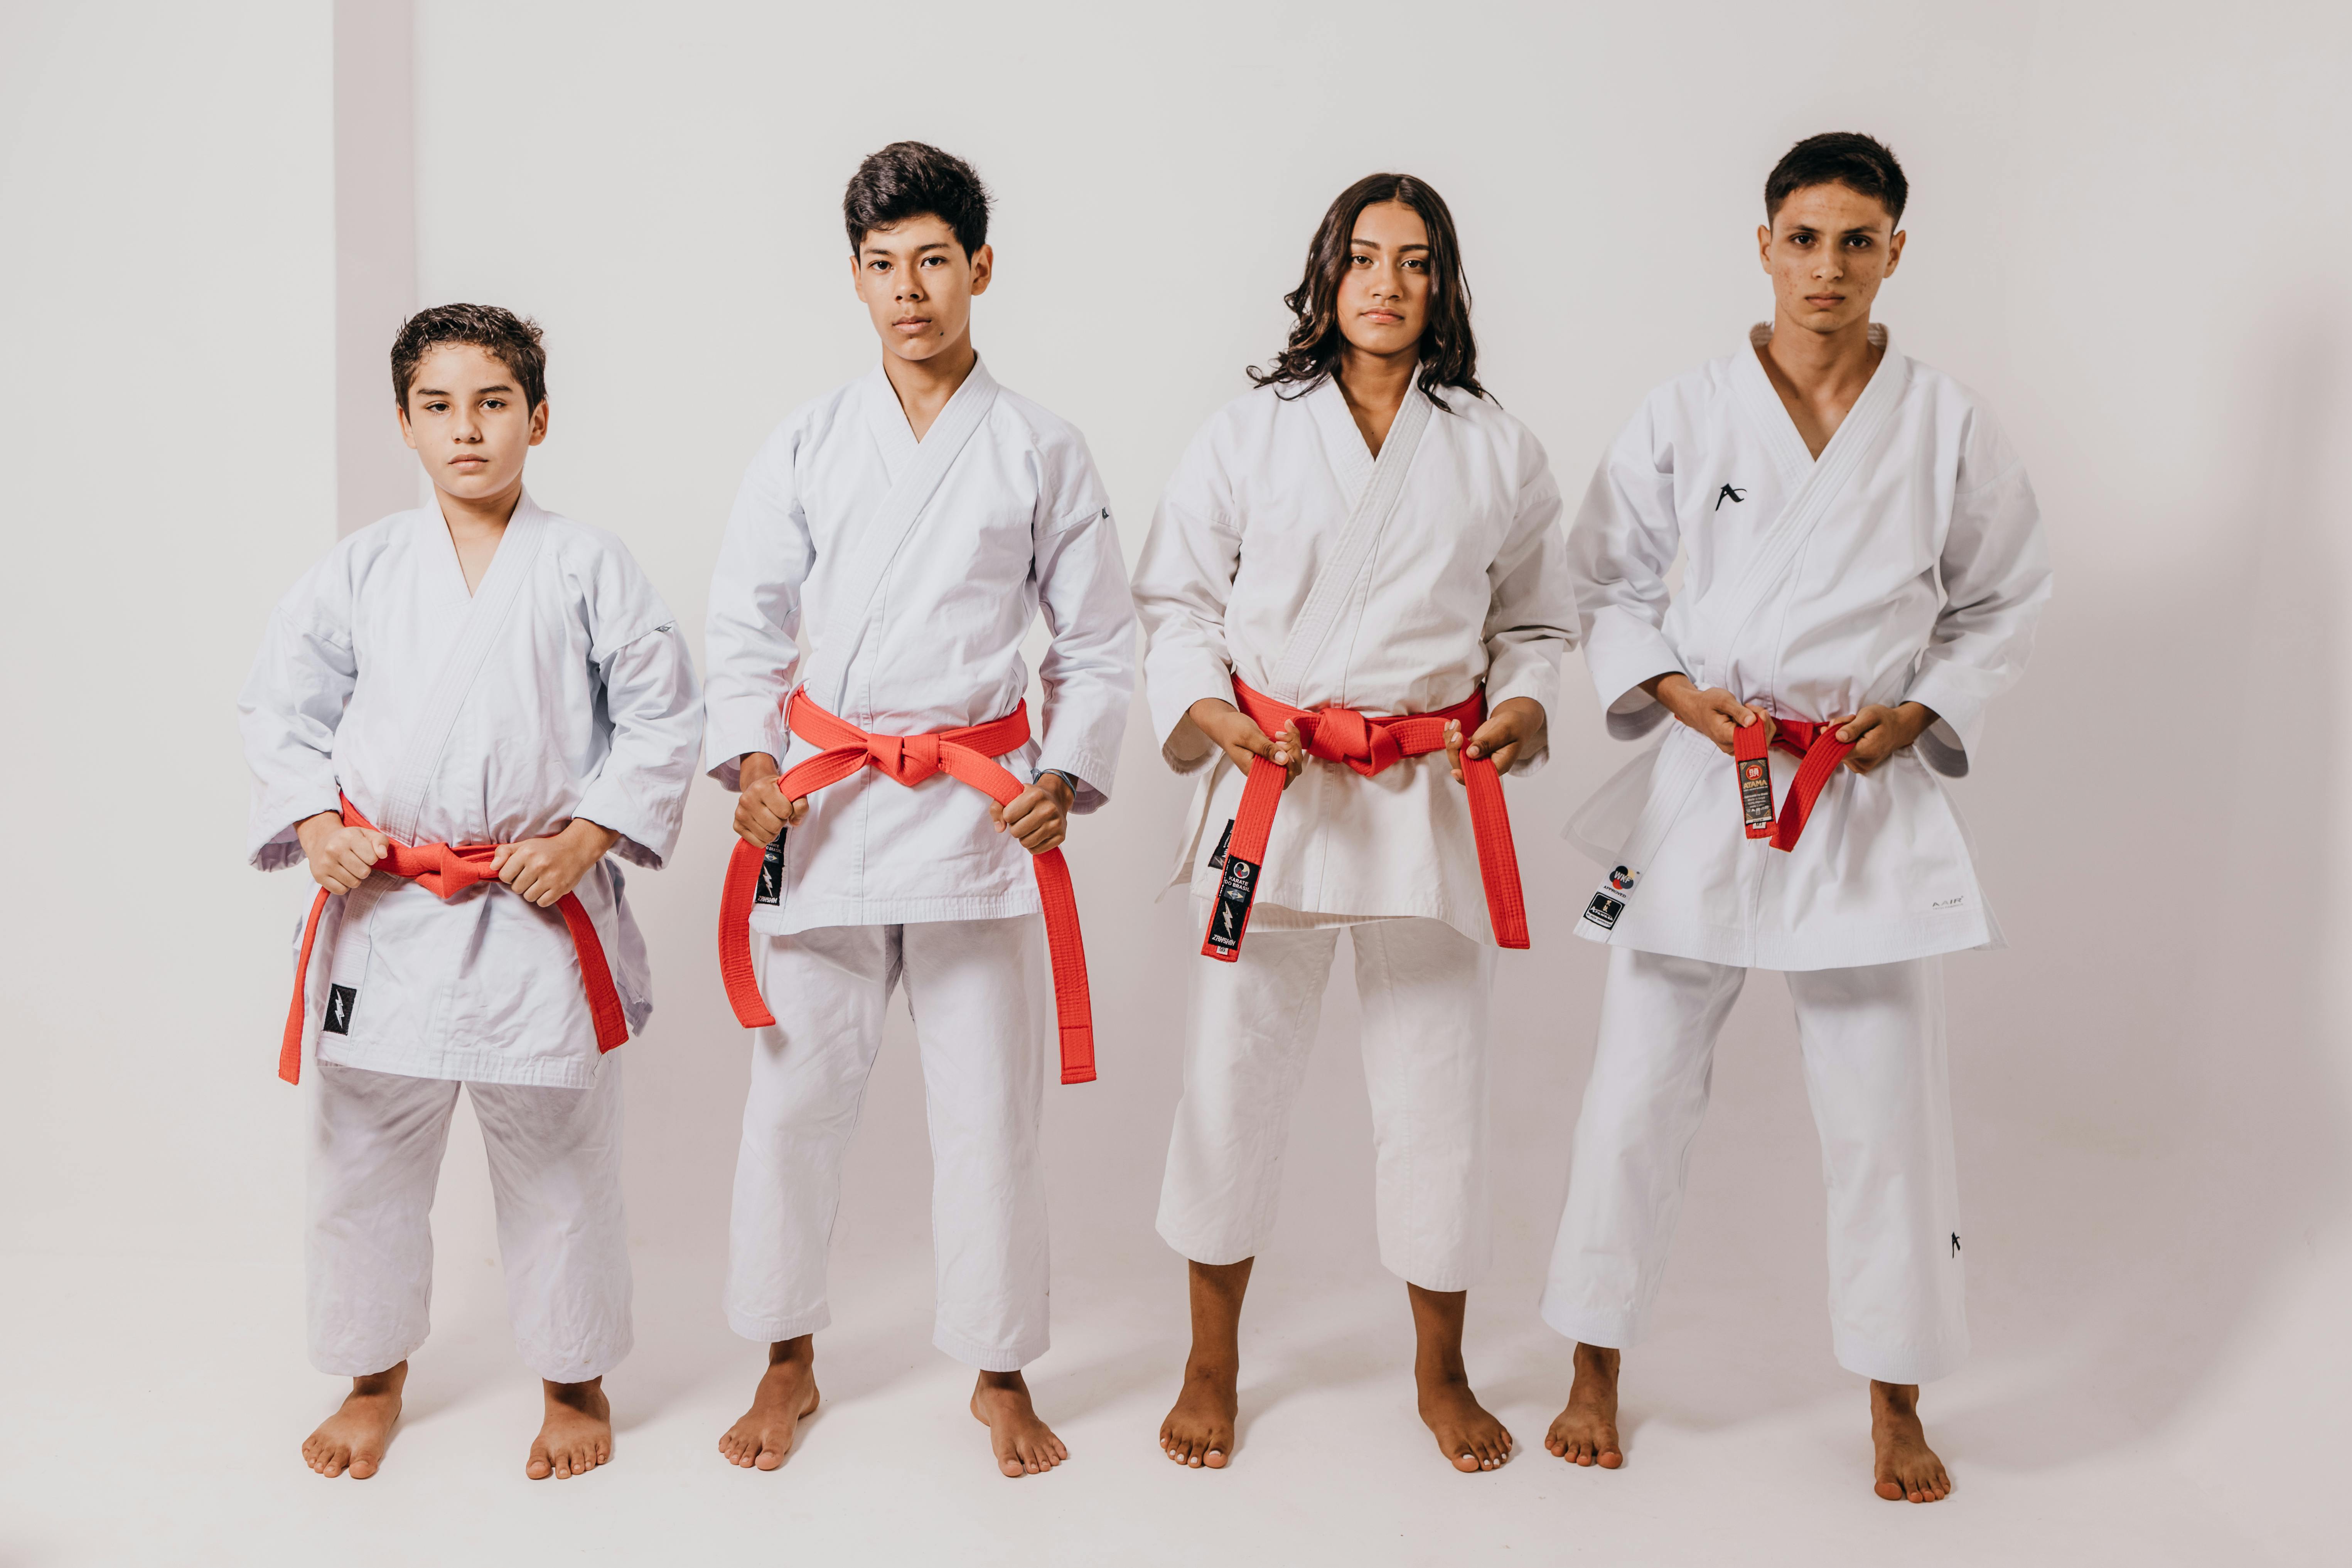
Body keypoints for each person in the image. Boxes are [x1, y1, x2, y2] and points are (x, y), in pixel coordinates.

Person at [1538, 132, 2052, 1504]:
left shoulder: (1943, 424)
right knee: (1634, 1090)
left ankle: (1894, 1397)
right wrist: (1670, 691)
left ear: (1895, 252)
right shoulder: (1685, 411)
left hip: (1863, 787)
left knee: (1886, 1112)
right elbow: (1605, 582)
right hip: (1713, 780)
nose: (1827, 266)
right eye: (1804, 237)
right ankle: (1592, 1364)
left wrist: (1926, 706)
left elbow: (2002, 595)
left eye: (1857, 240)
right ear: (1762, 243)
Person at [704, 142, 1135, 1480]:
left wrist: (1061, 773)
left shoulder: (1039, 446)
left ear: (979, 269)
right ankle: (786, 1359)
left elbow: (1101, 641)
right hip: (826, 813)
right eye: (883, 268)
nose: (910, 291)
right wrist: (751, 766)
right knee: (792, 1106)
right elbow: (744, 623)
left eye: (933, 262)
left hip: (973, 814)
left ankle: (998, 1371)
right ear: (854, 280)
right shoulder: (808, 441)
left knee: (986, 1112)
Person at [1132, 173, 1575, 1473]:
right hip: (1272, 788)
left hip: (1425, 794)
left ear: (1444, 286)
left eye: (1416, 261)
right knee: (1230, 1082)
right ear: (1327, 275)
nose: (1387, 284)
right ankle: (1210, 1357)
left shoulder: (1494, 444)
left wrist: (1533, 705)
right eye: (1364, 258)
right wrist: (1209, 713)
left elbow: (1536, 624)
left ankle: (1441, 1367)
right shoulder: (1247, 432)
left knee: (1436, 1090)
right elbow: (1174, 603)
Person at [239, 304, 703, 1482]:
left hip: (530, 905)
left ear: (538, 418)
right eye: (439, 407)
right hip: (388, 907)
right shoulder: (360, 569)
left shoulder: (590, 563)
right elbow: (278, 708)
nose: (468, 430)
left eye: (494, 403)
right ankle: (371, 1376)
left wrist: (591, 832)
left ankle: (573, 1377)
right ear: (403, 423)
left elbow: (662, 711)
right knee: (363, 1160)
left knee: (557, 1153)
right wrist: (315, 820)